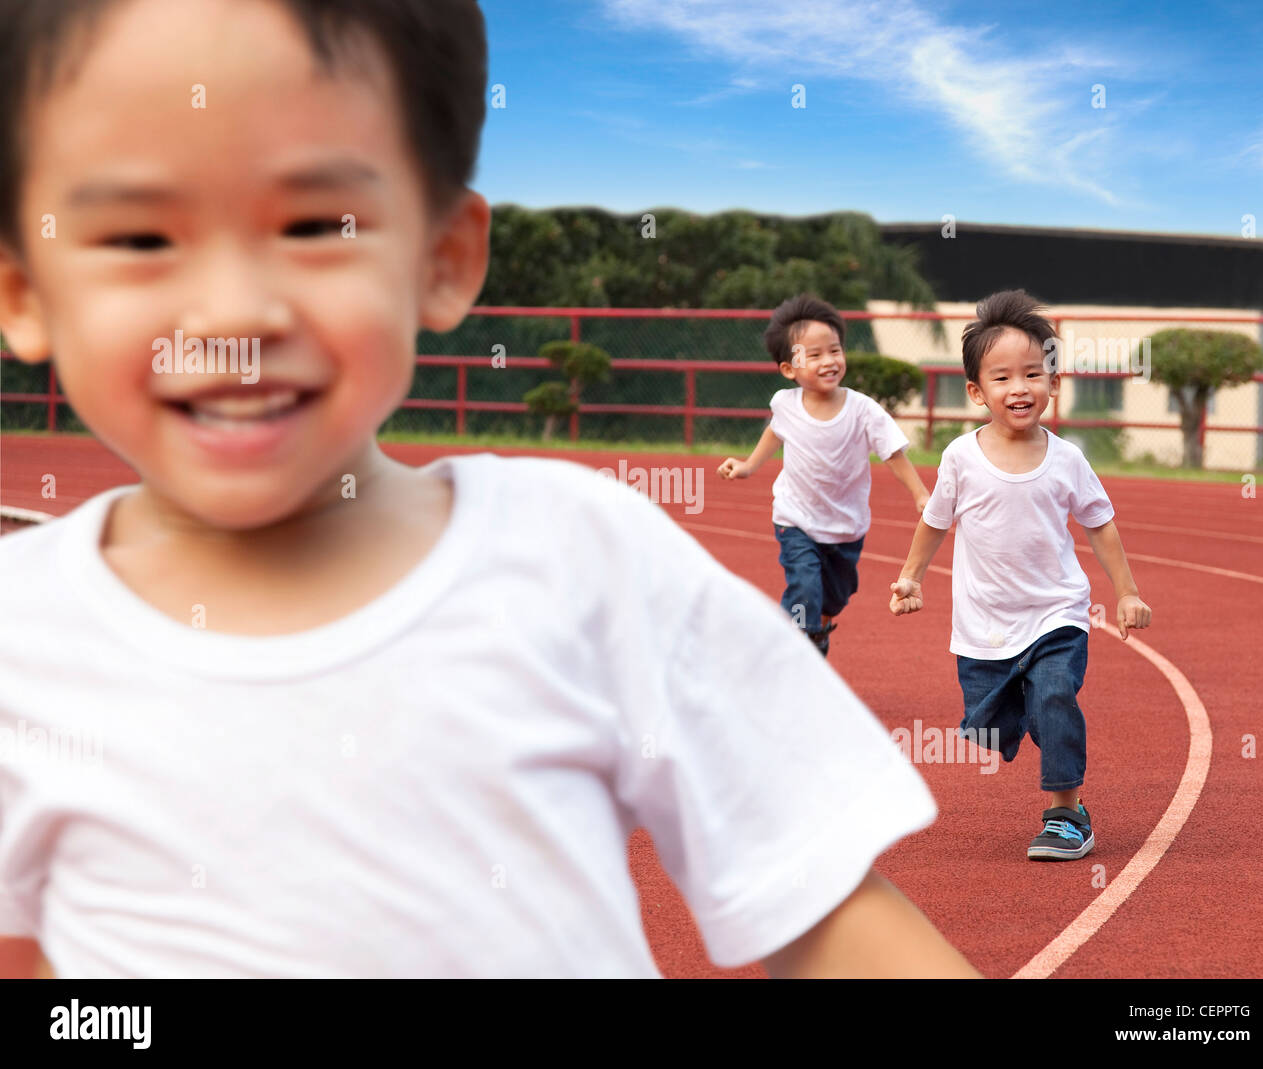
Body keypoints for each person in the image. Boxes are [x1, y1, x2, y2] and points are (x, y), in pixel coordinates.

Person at [0, 0, 977, 978]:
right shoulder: (20, 642)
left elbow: (826, 918)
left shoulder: (585, 560)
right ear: (23, 291)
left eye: (311, 223)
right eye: (136, 237)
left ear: (444, 258)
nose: (231, 315)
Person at [889, 290, 1152, 861]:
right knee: (987, 732)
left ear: (1053, 384)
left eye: (1034, 374)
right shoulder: (960, 456)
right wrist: (911, 578)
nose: (1020, 388)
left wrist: (1126, 593)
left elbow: (1100, 524)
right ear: (977, 392)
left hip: (1056, 613)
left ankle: (1066, 813)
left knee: (1055, 696)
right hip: (983, 626)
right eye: (1003, 378)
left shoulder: (1067, 459)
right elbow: (935, 521)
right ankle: (1022, 723)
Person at [718, 294, 931, 656]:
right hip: (795, 519)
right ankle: (798, 648)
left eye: (835, 351)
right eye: (814, 355)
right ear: (789, 368)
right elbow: (775, 431)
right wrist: (748, 465)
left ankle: (813, 625)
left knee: (836, 595)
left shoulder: (863, 410)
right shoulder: (785, 403)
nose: (829, 361)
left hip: (846, 527)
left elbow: (892, 452)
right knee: (804, 586)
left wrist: (920, 493)